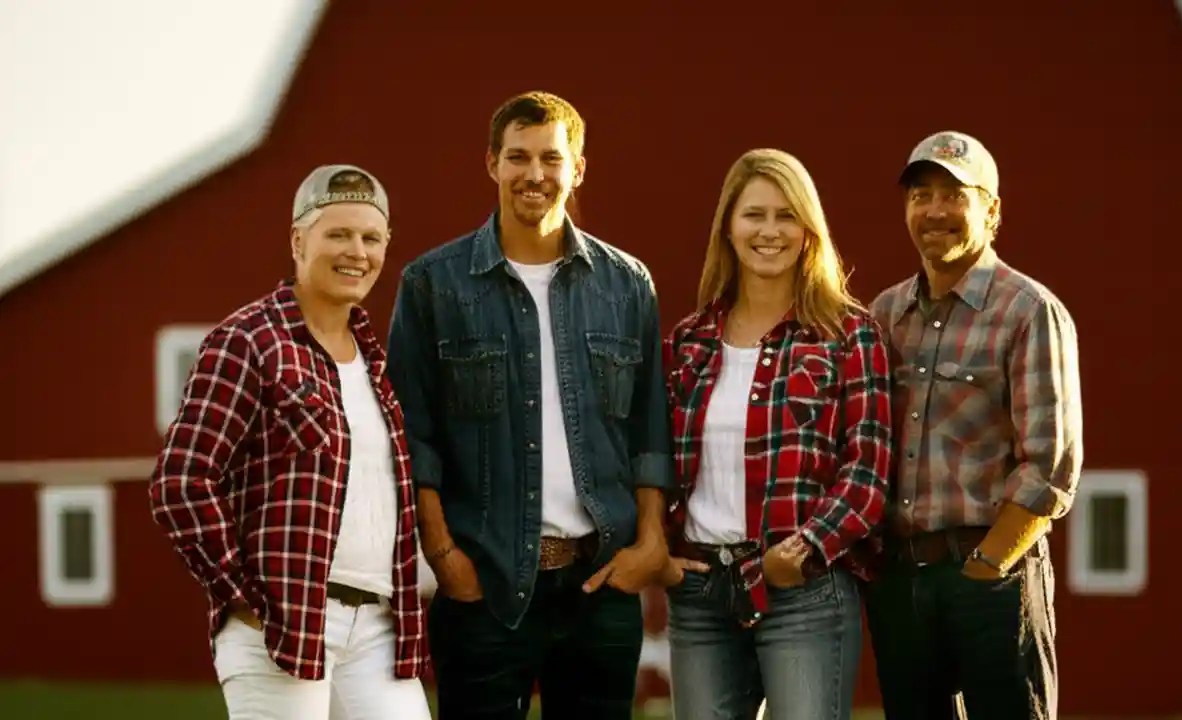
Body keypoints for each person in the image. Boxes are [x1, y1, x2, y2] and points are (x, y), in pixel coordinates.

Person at [385, 90, 673, 719]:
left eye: (551, 158)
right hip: (482, 585)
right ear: (491, 163)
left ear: (578, 168)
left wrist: (650, 543)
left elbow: (650, 428)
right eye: (518, 157)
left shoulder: (627, 285)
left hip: (601, 583)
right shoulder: (433, 284)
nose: (535, 175)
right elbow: (412, 436)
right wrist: (444, 558)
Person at [148, 165, 431, 719]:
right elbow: (181, 481)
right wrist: (242, 594)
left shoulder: (377, 361)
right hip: (281, 625)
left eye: (371, 238)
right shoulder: (247, 341)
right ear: (299, 240)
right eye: (338, 234)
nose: (357, 251)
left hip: (377, 626)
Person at [659, 148, 893, 720]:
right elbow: (655, 461)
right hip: (700, 593)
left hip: (804, 591)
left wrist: (806, 548)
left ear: (808, 230)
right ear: (729, 228)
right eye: (754, 215)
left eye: (786, 216)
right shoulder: (689, 341)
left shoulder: (848, 335)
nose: (770, 231)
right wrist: (661, 549)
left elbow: (867, 473)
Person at [865, 130, 1084, 720]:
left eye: (955, 195)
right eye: (921, 195)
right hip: (902, 582)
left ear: (992, 211)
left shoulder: (1028, 310)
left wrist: (986, 568)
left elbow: (1050, 468)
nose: (934, 210)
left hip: (994, 575)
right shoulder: (885, 314)